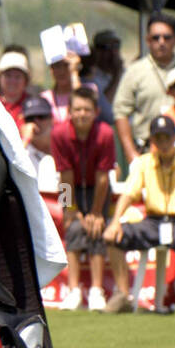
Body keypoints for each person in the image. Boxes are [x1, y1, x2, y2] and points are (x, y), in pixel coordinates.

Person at [103, 115, 175, 315]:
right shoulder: (143, 162)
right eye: (158, 138)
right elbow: (128, 194)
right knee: (111, 236)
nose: (163, 143)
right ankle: (122, 295)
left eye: (167, 137)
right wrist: (115, 222)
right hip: (152, 221)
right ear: (152, 141)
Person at [51, 88, 116, 311]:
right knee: (74, 228)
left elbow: (103, 178)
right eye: (77, 109)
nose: (82, 114)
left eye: (87, 109)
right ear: (69, 111)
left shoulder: (105, 133)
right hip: (72, 187)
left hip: (98, 188)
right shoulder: (59, 134)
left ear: (96, 111)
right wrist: (70, 209)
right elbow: (65, 176)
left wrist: (96, 213)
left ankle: (97, 291)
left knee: (97, 229)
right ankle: (74, 291)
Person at [114, 12, 175, 165]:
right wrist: (131, 154)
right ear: (147, 40)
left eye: (167, 37)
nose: (161, 42)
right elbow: (121, 112)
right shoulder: (134, 71)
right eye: (155, 38)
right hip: (147, 152)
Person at [22, 95, 61, 195]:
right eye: (30, 118)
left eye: (41, 117)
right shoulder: (22, 152)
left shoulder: (62, 149)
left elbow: (68, 185)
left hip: (59, 207)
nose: (36, 122)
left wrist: (68, 207)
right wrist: (25, 139)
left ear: (52, 119)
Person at [0, 47, 35, 141]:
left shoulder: (35, 106)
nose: (12, 81)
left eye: (18, 77)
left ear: (26, 80)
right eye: (8, 75)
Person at [81, 29, 123, 106]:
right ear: (97, 51)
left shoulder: (126, 73)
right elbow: (104, 105)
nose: (113, 53)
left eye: (116, 46)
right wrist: (117, 76)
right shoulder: (91, 78)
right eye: (107, 48)